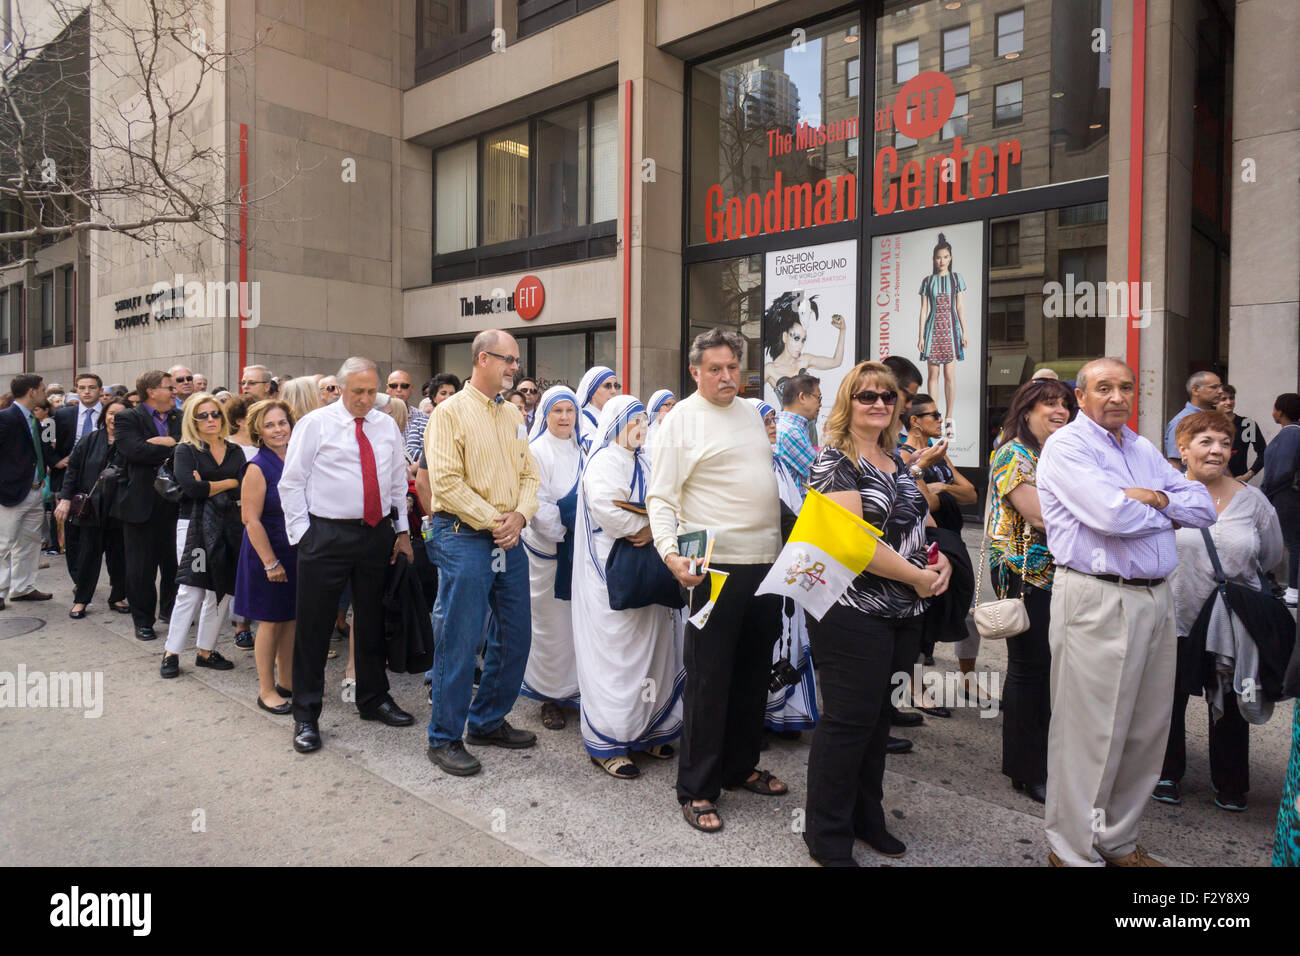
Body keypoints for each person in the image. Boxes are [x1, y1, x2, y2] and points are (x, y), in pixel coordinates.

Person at [1036, 357, 1217, 867]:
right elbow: (1111, 516)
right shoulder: (1068, 446)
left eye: (1126, 387)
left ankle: (1116, 841)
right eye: (1104, 388)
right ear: (1080, 394)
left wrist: (1153, 497)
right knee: (1091, 732)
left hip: (1158, 597)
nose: (1117, 397)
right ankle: (1071, 852)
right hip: (1098, 597)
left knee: (1144, 729)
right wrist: (1165, 505)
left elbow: (1203, 506)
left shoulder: (1138, 446)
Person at [802, 360, 951, 865]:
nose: (880, 404)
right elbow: (851, 546)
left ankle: (868, 818)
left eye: (888, 397)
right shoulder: (834, 461)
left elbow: (919, 526)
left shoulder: (894, 460)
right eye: (867, 396)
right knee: (846, 724)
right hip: (850, 611)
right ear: (850, 402)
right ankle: (826, 835)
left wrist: (940, 558)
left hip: (904, 611)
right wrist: (916, 576)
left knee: (878, 720)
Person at [647, 328, 789, 834]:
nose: (727, 376)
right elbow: (661, 499)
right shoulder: (680, 422)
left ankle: (739, 765)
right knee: (709, 679)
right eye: (715, 369)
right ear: (694, 372)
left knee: (753, 672)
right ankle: (698, 788)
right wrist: (669, 553)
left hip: (766, 564)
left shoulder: (752, 414)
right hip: (715, 570)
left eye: (733, 367)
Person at [279, 357, 416, 754]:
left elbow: (394, 482)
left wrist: (402, 533)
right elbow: (292, 483)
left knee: (372, 621)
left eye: (372, 391)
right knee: (314, 627)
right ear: (339, 388)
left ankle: (373, 699)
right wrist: (304, 536)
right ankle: (306, 714)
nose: (366, 399)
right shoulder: (316, 425)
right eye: (358, 391)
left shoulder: (386, 425)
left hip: (375, 534)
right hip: (326, 535)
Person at [1153, 411, 1284, 812]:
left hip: (1232, 621)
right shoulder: (1164, 496)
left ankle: (1230, 782)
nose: (1216, 450)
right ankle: (1166, 773)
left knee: (1229, 697)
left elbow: (1273, 556)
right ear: (1183, 448)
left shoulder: (1254, 501)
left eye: (1224, 443)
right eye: (1205, 441)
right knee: (1167, 700)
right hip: (1174, 615)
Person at [425, 330, 540, 776]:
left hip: (508, 536)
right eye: (508, 359)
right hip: (462, 536)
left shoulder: (513, 413)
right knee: (461, 637)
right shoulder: (448, 413)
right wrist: (498, 521)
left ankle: (487, 721)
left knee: (515, 634)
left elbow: (531, 474)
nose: (515, 367)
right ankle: (444, 737)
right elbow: (447, 483)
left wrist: (521, 517)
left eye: (516, 360)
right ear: (482, 359)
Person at [571, 394, 684, 778]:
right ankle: (610, 742)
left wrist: (658, 527)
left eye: (644, 420)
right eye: (633, 421)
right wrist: (648, 527)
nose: (642, 427)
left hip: (649, 568)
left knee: (651, 653)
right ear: (616, 425)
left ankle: (649, 729)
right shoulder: (603, 462)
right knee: (616, 659)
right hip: (611, 570)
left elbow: (670, 501)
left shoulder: (647, 460)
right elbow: (608, 510)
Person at [985, 378, 1077, 804]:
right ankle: (1026, 770)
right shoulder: (1013, 453)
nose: (1060, 412)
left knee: (1046, 671)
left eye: (1065, 405)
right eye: (1050, 405)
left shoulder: (1055, 453)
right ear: (1026, 411)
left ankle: (1036, 760)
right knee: (1030, 668)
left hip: (1057, 575)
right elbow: (1039, 517)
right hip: (1026, 574)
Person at [160, 394, 245, 678]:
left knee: (221, 589)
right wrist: (229, 482)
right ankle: (172, 652)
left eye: (215, 414)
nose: (210, 420)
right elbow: (192, 490)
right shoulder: (186, 450)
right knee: (192, 589)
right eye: (202, 415)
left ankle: (206, 651)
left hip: (229, 526)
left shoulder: (235, 451)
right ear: (192, 420)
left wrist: (212, 484)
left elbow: (242, 487)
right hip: (193, 526)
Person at [751, 397, 818, 736]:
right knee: (768, 642)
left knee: (789, 638)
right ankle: (761, 717)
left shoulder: (775, 461)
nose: (774, 426)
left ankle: (783, 714)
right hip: (765, 566)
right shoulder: (752, 465)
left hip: (788, 561)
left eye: (774, 418)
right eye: (766, 421)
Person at [520, 386, 583, 731]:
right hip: (548, 553)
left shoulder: (583, 448)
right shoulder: (535, 450)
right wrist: (565, 533)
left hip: (580, 554)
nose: (564, 418)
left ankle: (576, 690)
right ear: (545, 414)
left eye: (569, 411)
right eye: (557, 411)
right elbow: (537, 502)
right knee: (550, 629)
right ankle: (549, 697)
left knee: (577, 626)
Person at [233, 399, 299, 715]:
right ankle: (266, 690)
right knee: (270, 623)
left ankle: (286, 682)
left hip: (295, 550)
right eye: (270, 424)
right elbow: (251, 519)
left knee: (291, 620)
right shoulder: (257, 467)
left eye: (282, 422)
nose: (278, 429)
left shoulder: (297, 459)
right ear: (259, 430)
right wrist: (270, 563)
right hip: (266, 552)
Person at [114, 370, 183, 640]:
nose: (174, 392)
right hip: (140, 505)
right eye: (169, 388)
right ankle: (143, 621)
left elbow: (188, 448)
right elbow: (133, 451)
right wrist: (169, 446)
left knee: (174, 564)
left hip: (176, 503)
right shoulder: (127, 417)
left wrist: (166, 443)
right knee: (141, 569)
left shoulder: (180, 416)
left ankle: (170, 610)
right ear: (152, 391)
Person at [55, 398, 130, 618]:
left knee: (119, 556)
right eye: (111, 413)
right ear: (104, 415)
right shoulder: (89, 440)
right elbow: (73, 472)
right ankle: (81, 600)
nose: (115, 418)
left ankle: (118, 596)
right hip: (91, 509)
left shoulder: (131, 443)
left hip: (120, 509)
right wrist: (65, 498)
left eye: (121, 414)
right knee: (88, 555)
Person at [0, 374, 53, 609]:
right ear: (31, 392)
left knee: (30, 542)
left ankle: (23, 587)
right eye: (42, 389)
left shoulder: (34, 419)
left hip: (34, 490)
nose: (45, 394)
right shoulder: (6, 418)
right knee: (3, 543)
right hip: (11, 492)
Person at [51, 372, 104, 580]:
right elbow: (47, 440)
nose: (87, 391)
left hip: (102, 478)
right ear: (76, 390)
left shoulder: (109, 414)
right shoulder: (62, 415)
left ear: (100, 390)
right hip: (71, 478)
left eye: (91, 387)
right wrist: (56, 461)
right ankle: (78, 579)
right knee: (73, 534)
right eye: (82, 388)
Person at [900, 392, 976, 532]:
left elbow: (971, 494)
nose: (940, 420)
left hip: (952, 533)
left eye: (940, 414)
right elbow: (926, 502)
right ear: (915, 421)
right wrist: (954, 494)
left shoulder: (938, 453)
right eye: (934, 415)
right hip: (928, 537)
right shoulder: (904, 456)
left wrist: (943, 487)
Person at [915, 233, 968, 431]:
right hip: (933, 329)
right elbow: (923, 310)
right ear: (933, 259)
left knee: (949, 375)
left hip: (951, 328)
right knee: (933, 375)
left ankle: (948, 416)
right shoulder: (928, 281)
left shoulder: (956, 279)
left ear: (950, 258)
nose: (942, 261)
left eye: (945, 257)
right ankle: (934, 413)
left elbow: (960, 307)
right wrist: (920, 335)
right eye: (938, 257)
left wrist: (964, 332)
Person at [762, 291, 846, 412]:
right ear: (785, 337)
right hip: (790, 427)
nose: (800, 345)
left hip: (811, 428)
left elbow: (836, 361)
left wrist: (843, 331)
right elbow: (751, 400)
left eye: (803, 340)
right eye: (796, 338)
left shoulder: (805, 360)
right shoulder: (770, 369)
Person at [1260, 393, 1300, 608]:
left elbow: (1284, 470)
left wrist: (1265, 491)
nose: (1273, 412)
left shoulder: (1290, 434)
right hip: (1287, 495)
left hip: (1287, 496)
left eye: (1275, 408)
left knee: (1294, 543)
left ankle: (1293, 591)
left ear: (1280, 411)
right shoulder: (1291, 433)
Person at [1164, 370, 1222, 467]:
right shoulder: (1182, 421)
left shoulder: (1215, 417)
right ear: (1195, 390)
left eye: (1220, 387)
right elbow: (1175, 463)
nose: (1220, 391)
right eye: (1214, 387)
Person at [774, 373, 821, 491]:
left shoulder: (787, 426)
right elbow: (820, 473)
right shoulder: (790, 432)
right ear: (802, 397)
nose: (820, 404)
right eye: (818, 398)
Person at [1217, 385, 1267, 481]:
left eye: (1231, 398)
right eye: (1223, 399)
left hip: (1239, 480)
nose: (1229, 402)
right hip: (1213, 481)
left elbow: (1263, 453)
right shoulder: (1209, 425)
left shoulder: (1247, 425)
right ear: (1215, 402)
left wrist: (1249, 475)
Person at [575, 365, 619, 455]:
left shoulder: (618, 415)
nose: (613, 391)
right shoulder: (582, 419)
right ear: (592, 390)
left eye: (615, 386)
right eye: (608, 386)